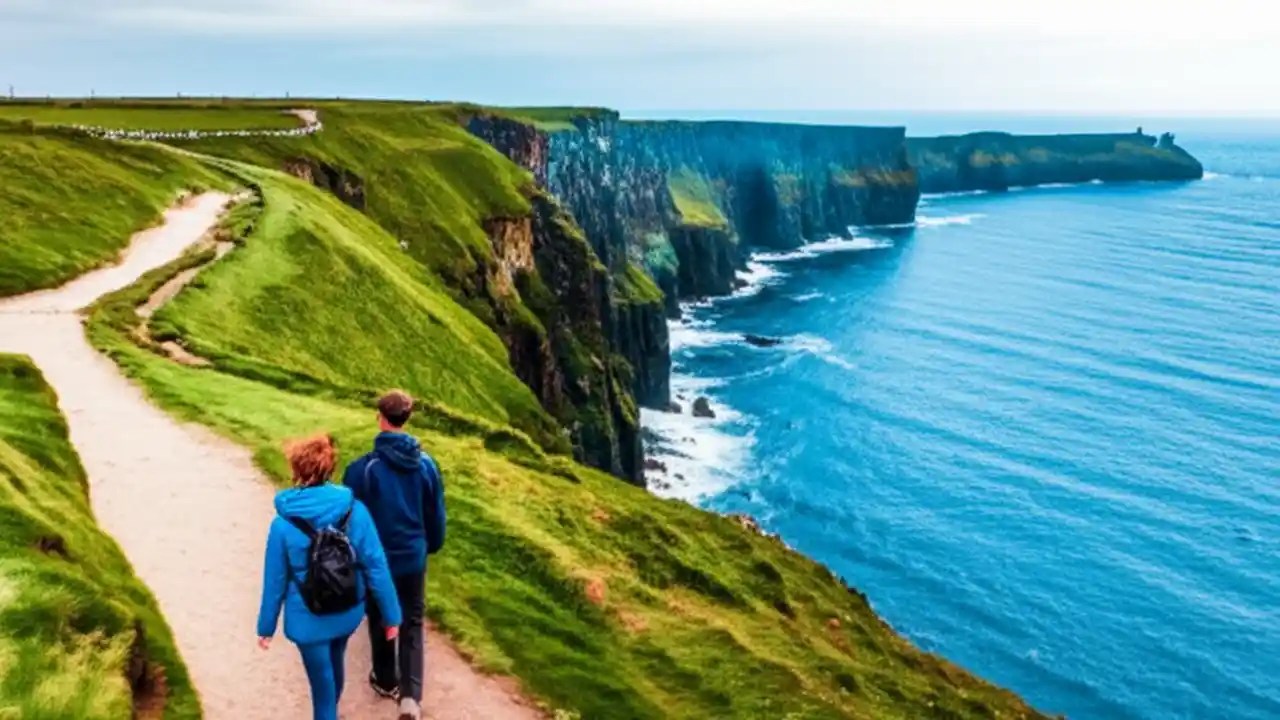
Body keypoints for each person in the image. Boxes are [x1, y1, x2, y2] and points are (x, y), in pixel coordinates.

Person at [257, 434, 403, 720]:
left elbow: (274, 581)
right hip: (347, 609)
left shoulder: (282, 525)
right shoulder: (355, 511)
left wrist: (266, 626)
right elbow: (376, 566)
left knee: (321, 690)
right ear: (329, 469)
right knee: (336, 660)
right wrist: (392, 616)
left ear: (296, 470)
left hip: (307, 619)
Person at [343, 390, 447, 720]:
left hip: (378, 560)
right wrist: (430, 545)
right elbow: (435, 514)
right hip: (413, 557)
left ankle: (386, 679)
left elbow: (351, 516)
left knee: (381, 616)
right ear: (407, 419)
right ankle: (411, 698)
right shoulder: (427, 465)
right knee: (413, 621)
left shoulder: (363, 468)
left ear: (381, 418)